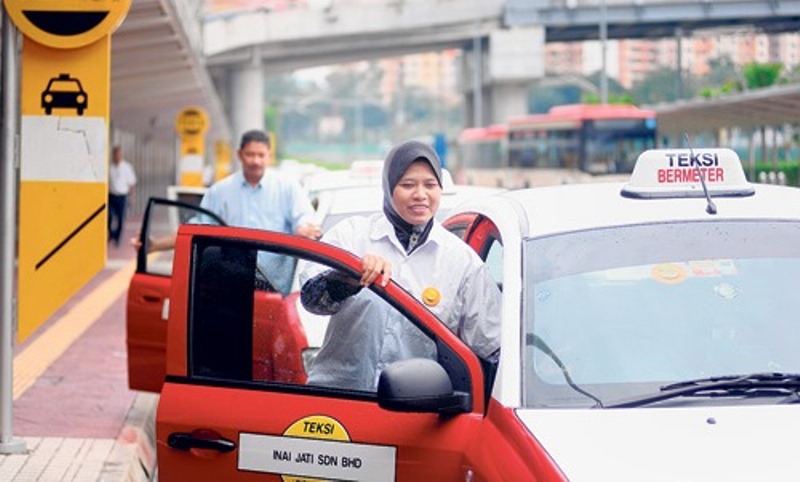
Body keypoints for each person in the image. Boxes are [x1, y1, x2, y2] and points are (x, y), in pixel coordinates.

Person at [299, 139, 501, 391]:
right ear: (388, 186)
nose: (420, 194)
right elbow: (312, 299)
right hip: (339, 402)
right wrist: (348, 276)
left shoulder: (462, 261)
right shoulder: (351, 235)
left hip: (411, 410)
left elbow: (491, 345)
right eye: (407, 185)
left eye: (430, 185)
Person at [192, 129, 320, 294]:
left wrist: (303, 227)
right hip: (231, 285)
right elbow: (198, 227)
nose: (255, 161)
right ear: (239, 155)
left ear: (269, 156)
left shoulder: (288, 188)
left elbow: (303, 218)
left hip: (276, 289)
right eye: (250, 154)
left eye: (261, 155)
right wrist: (157, 244)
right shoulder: (219, 191)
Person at [108, 145, 137, 247]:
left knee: (121, 219)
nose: (116, 156)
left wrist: (131, 197)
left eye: (118, 154)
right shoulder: (109, 168)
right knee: (109, 217)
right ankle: (111, 234)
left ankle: (117, 238)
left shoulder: (127, 167)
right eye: (115, 154)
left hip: (122, 197)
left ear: (121, 155)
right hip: (111, 196)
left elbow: (132, 183)